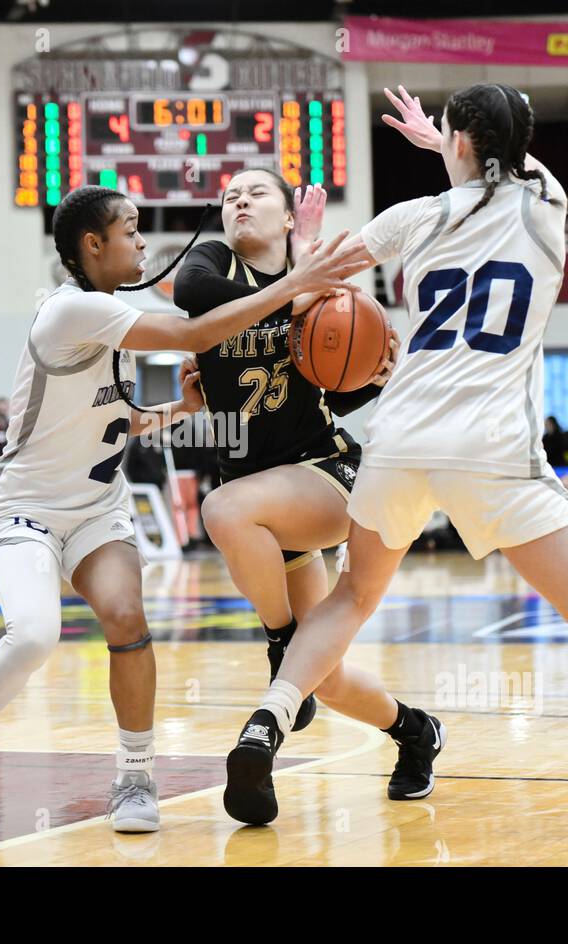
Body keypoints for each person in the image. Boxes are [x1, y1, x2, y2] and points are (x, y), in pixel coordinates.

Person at [220, 83, 568, 854]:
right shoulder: (546, 202)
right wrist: (450, 141)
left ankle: (266, 721)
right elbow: (505, 152)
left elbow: (318, 279)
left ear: (461, 144)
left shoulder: (413, 218)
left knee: (350, 596)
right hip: (491, 448)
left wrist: (308, 240)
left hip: (399, 439)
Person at [0, 182, 363, 831]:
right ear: (94, 245)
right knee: (35, 633)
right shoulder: (71, 312)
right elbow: (197, 328)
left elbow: (116, 420)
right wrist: (299, 279)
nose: (145, 242)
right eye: (131, 230)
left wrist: (181, 412)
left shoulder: (112, 315)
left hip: (97, 510)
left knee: (127, 617)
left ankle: (134, 778)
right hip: (26, 508)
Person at [173, 168, 434, 769]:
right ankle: (416, 732)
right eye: (231, 195)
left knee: (223, 510)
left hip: (323, 470)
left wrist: (372, 378)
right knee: (323, 674)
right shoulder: (213, 263)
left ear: (290, 217)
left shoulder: (328, 294)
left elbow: (329, 391)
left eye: (257, 192)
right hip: (259, 491)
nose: (240, 200)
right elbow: (192, 295)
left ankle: (279, 638)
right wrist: (298, 284)